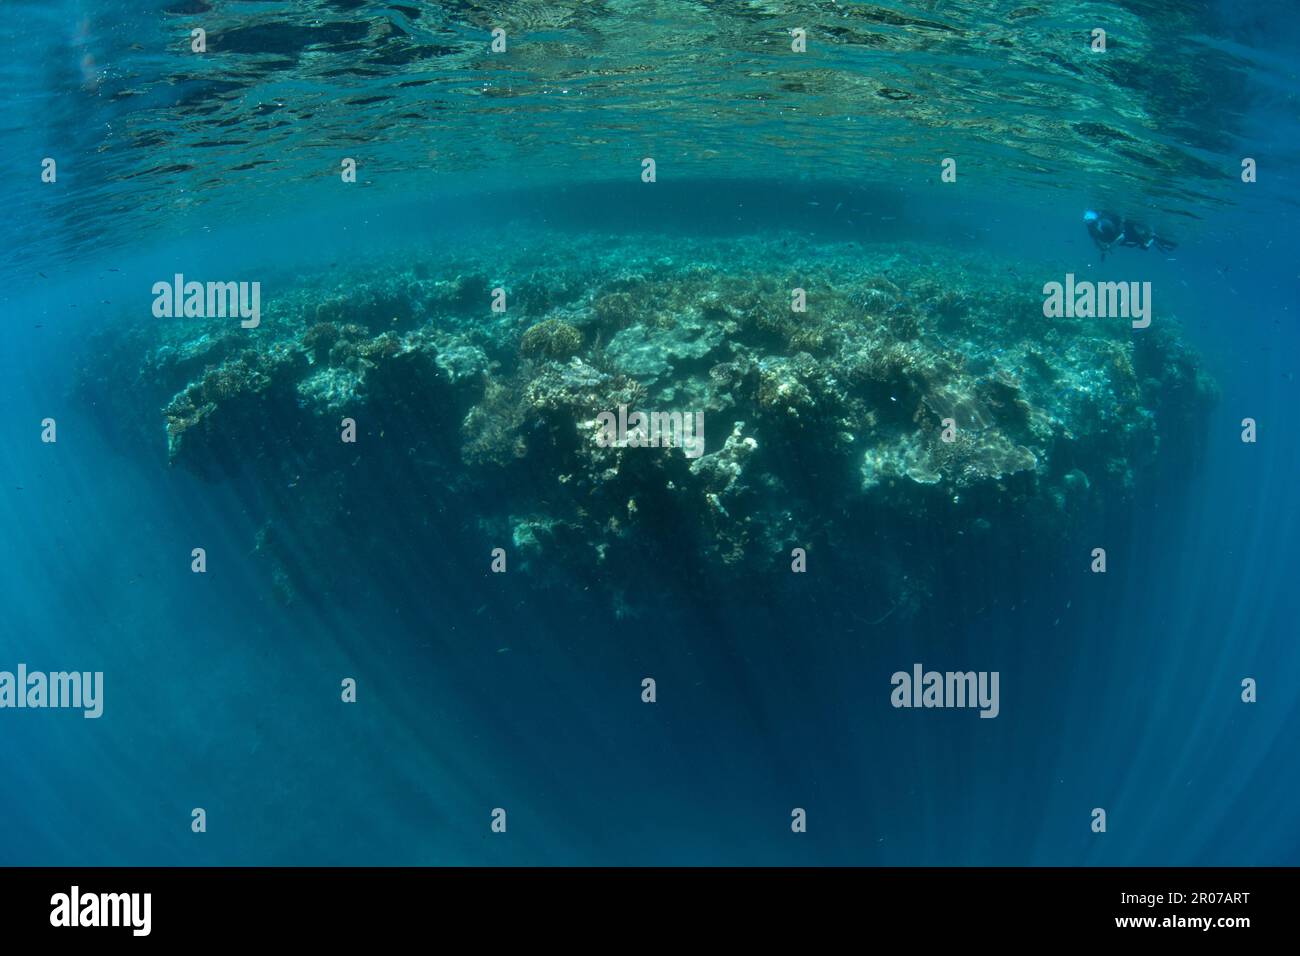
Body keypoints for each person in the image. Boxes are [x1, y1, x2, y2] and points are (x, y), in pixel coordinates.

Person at [1084, 209, 1177, 259]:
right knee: (1138, 244)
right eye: (1087, 220)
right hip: (1120, 240)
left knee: (1144, 245)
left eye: (1090, 220)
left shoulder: (1105, 224)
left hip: (1126, 234)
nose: (1089, 223)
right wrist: (1102, 248)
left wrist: (1109, 247)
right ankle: (1150, 237)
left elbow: (1121, 236)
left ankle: (1153, 237)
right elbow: (1095, 239)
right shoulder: (1091, 229)